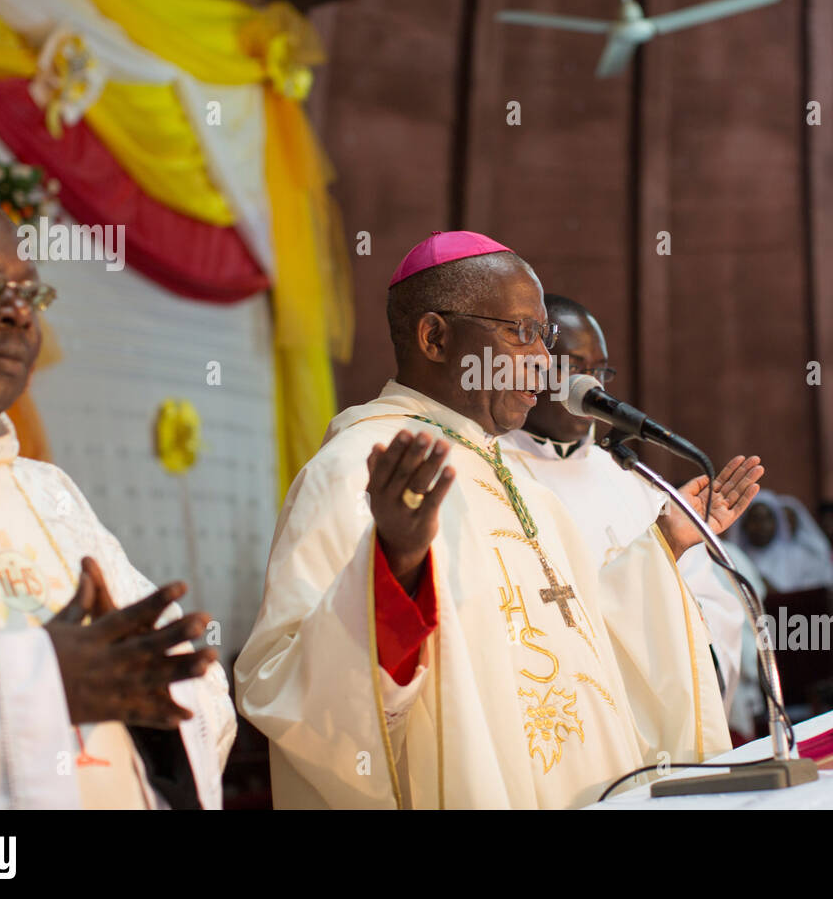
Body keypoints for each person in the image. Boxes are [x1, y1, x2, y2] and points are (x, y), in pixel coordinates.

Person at [235, 232, 763, 809]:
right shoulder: (358, 468)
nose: (543, 359)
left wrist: (664, 543)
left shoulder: (518, 480)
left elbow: (574, 634)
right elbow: (280, 686)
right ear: (435, 337)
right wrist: (394, 568)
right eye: (522, 333)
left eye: (546, 335)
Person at [0, 184, 235, 808]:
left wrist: (161, 680)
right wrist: (38, 684)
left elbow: (184, 690)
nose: (17, 313)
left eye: (29, 291)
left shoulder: (48, 492)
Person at [498, 293, 757, 743]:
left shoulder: (633, 479)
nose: (592, 386)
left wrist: (703, 663)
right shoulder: (492, 477)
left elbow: (711, 602)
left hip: (663, 732)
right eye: (573, 367)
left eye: (600, 371)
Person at [727, 490, 833, 593]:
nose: (762, 526)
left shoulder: (801, 557)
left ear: (778, 522)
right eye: (755, 519)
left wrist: (771, 591)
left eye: (768, 519)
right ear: (744, 524)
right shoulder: (733, 558)